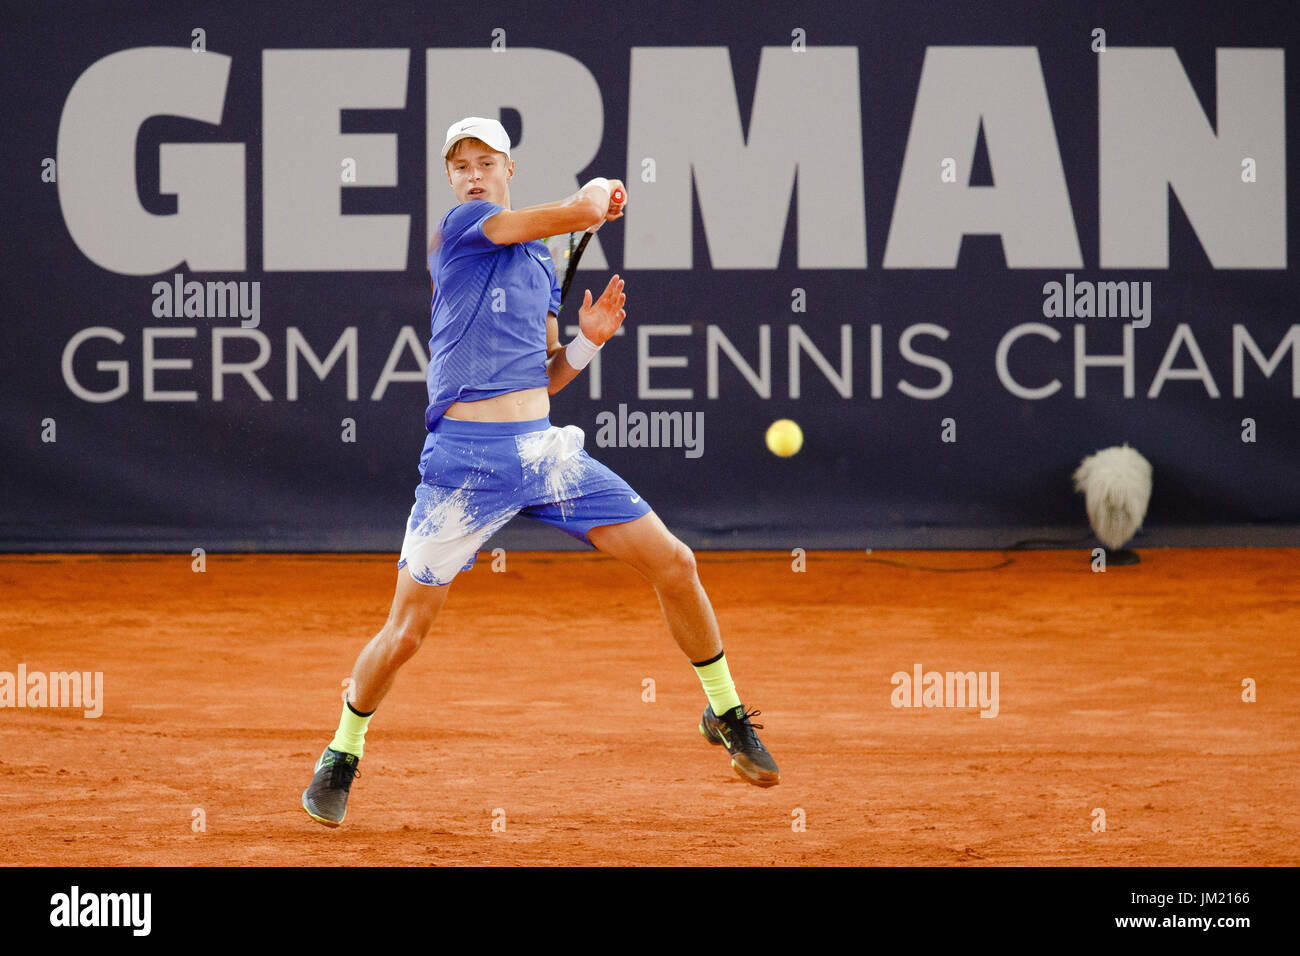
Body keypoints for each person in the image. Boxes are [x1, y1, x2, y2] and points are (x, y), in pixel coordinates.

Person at [302, 117, 779, 828]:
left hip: (542, 455)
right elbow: (583, 210)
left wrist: (587, 344)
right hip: (463, 469)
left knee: (675, 563)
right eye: (458, 164)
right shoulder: (466, 227)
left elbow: (545, 378)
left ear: (508, 167)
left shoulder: (538, 267)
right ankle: (342, 751)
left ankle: (726, 712)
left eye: (484, 161)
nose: (470, 173)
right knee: (405, 633)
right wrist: (595, 198)